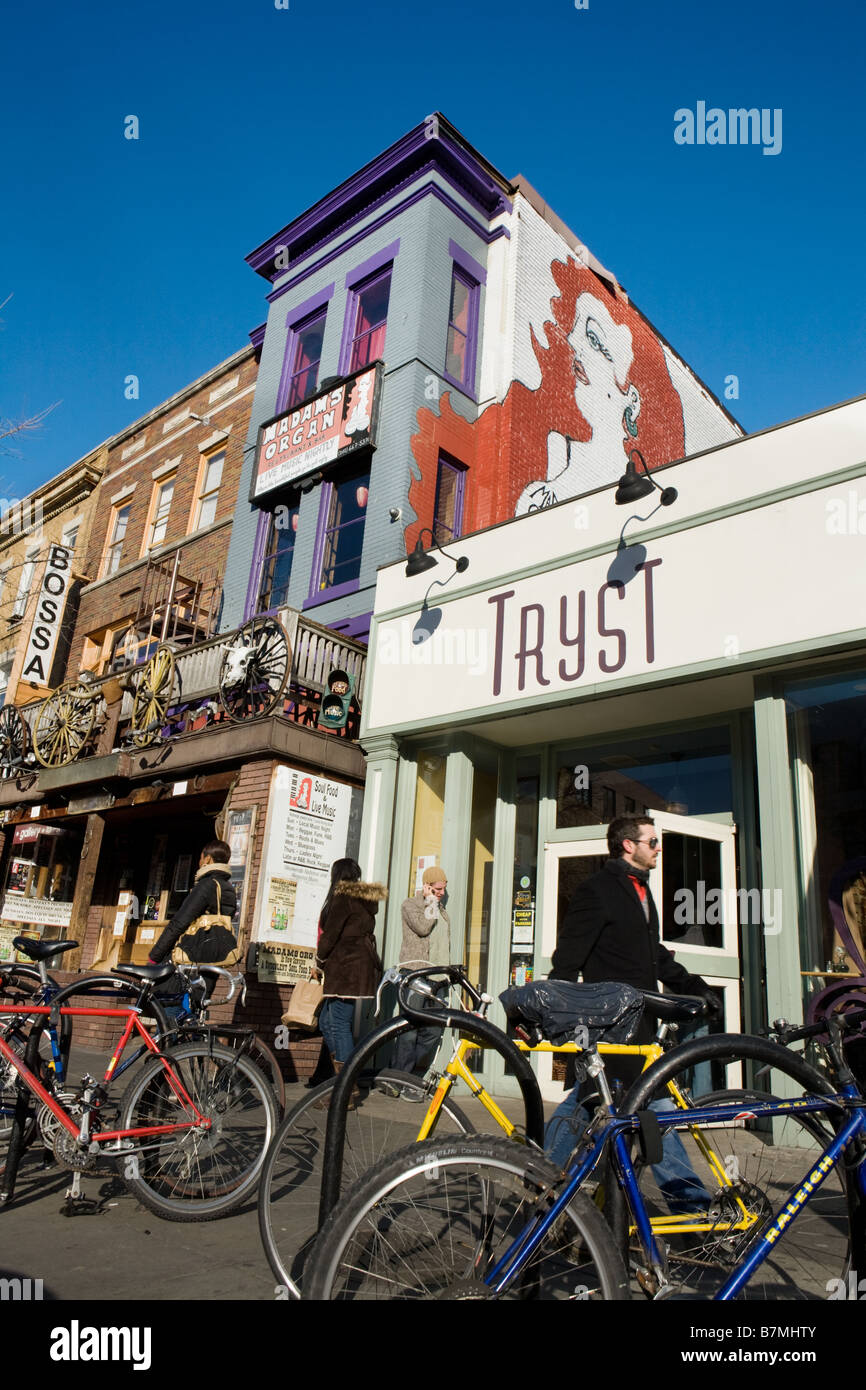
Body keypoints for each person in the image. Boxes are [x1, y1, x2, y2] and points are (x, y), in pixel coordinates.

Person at [545, 815, 723, 1213]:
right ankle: (690, 1207)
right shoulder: (597, 890)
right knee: (625, 1104)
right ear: (629, 845)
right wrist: (567, 1018)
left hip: (639, 1026)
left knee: (609, 1105)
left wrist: (693, 985)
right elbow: (567, 959)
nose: (658, 848)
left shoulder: (642, 892)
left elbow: (653, 955)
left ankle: (542, 1183)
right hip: (607, 1026)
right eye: (653, 841)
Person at [313, 858, 386, 1076]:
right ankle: (342, 1077)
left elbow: (331, 933)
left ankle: (346, 1082)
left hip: (346, 967)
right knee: (327, 1021)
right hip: (354, 968)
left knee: (339, 1023)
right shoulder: (363, 898)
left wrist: (319, 959)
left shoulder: (344, 897)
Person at [391, 866, 451, 1080]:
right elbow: (423, 928)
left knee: (434, 1031)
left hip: (437, 979)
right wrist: (431, 901)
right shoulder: (410, 905)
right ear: (426, 887)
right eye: (437, 889)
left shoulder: (441, 911)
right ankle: (398, 1079)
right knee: (409, 1030)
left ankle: (415, 1079)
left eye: (443, 889)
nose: (441, 893)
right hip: (415, 975)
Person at [147, 839, 236, 966]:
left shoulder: (207, 885)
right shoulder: (228, 887)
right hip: (216, 955)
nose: (199, 862)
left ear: (207, 859)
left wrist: (154, 957)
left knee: (162, 984)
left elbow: (179, 922)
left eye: (200, 857)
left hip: (194, 954)